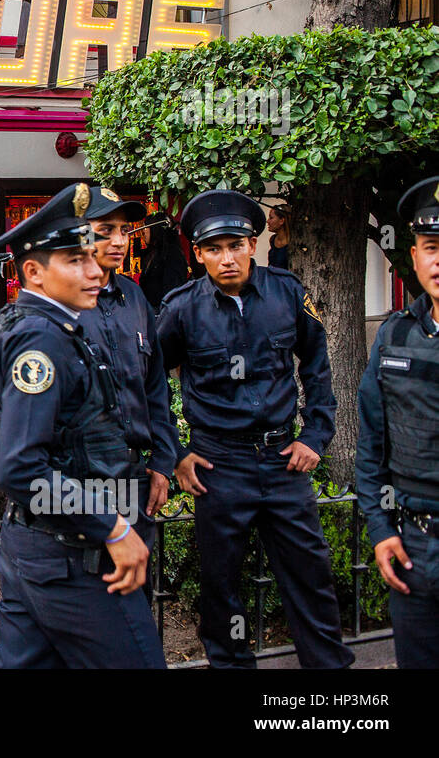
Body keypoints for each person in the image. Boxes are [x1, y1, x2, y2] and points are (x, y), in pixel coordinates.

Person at [157, 189, 353, 669]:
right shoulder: (182, 308)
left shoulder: (287, 293)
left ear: (253, 246)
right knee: (220, 588)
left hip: (284, 461)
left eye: (236, 245)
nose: (227, 258)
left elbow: (318, 367)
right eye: (215, 249)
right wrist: (174, 453)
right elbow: (149, 383)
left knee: (310, 576)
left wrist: (315, 436)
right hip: (218, 466)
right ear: (198, 253)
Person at [0, 182, 166, 669]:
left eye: (90, 257)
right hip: (73, 556)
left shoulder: (19, 324)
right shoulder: (43, 340)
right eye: (75, 261)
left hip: (36, 548)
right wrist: (114, 528)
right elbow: (18, 468)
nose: (93, 270)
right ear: (34, 273)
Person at [356, 175, 439, 668]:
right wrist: (382, 529)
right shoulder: (394, 338)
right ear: (414, 255)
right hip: (415, 548)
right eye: (432, 247)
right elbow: (372, 447)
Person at [78, 191, 177, 560]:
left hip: (134, 476)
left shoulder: (135, 299)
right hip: (79, 483)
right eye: (105, 230)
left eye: (124, 230)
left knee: (137, 598)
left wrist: (163, 463)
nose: (119, 240)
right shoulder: (59, 304)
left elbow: (155, 387)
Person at [267, 204, 291, 270]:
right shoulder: (273, 240)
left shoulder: (292, 242)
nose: (267, 221)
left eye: (271, 218)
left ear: (281, 221)